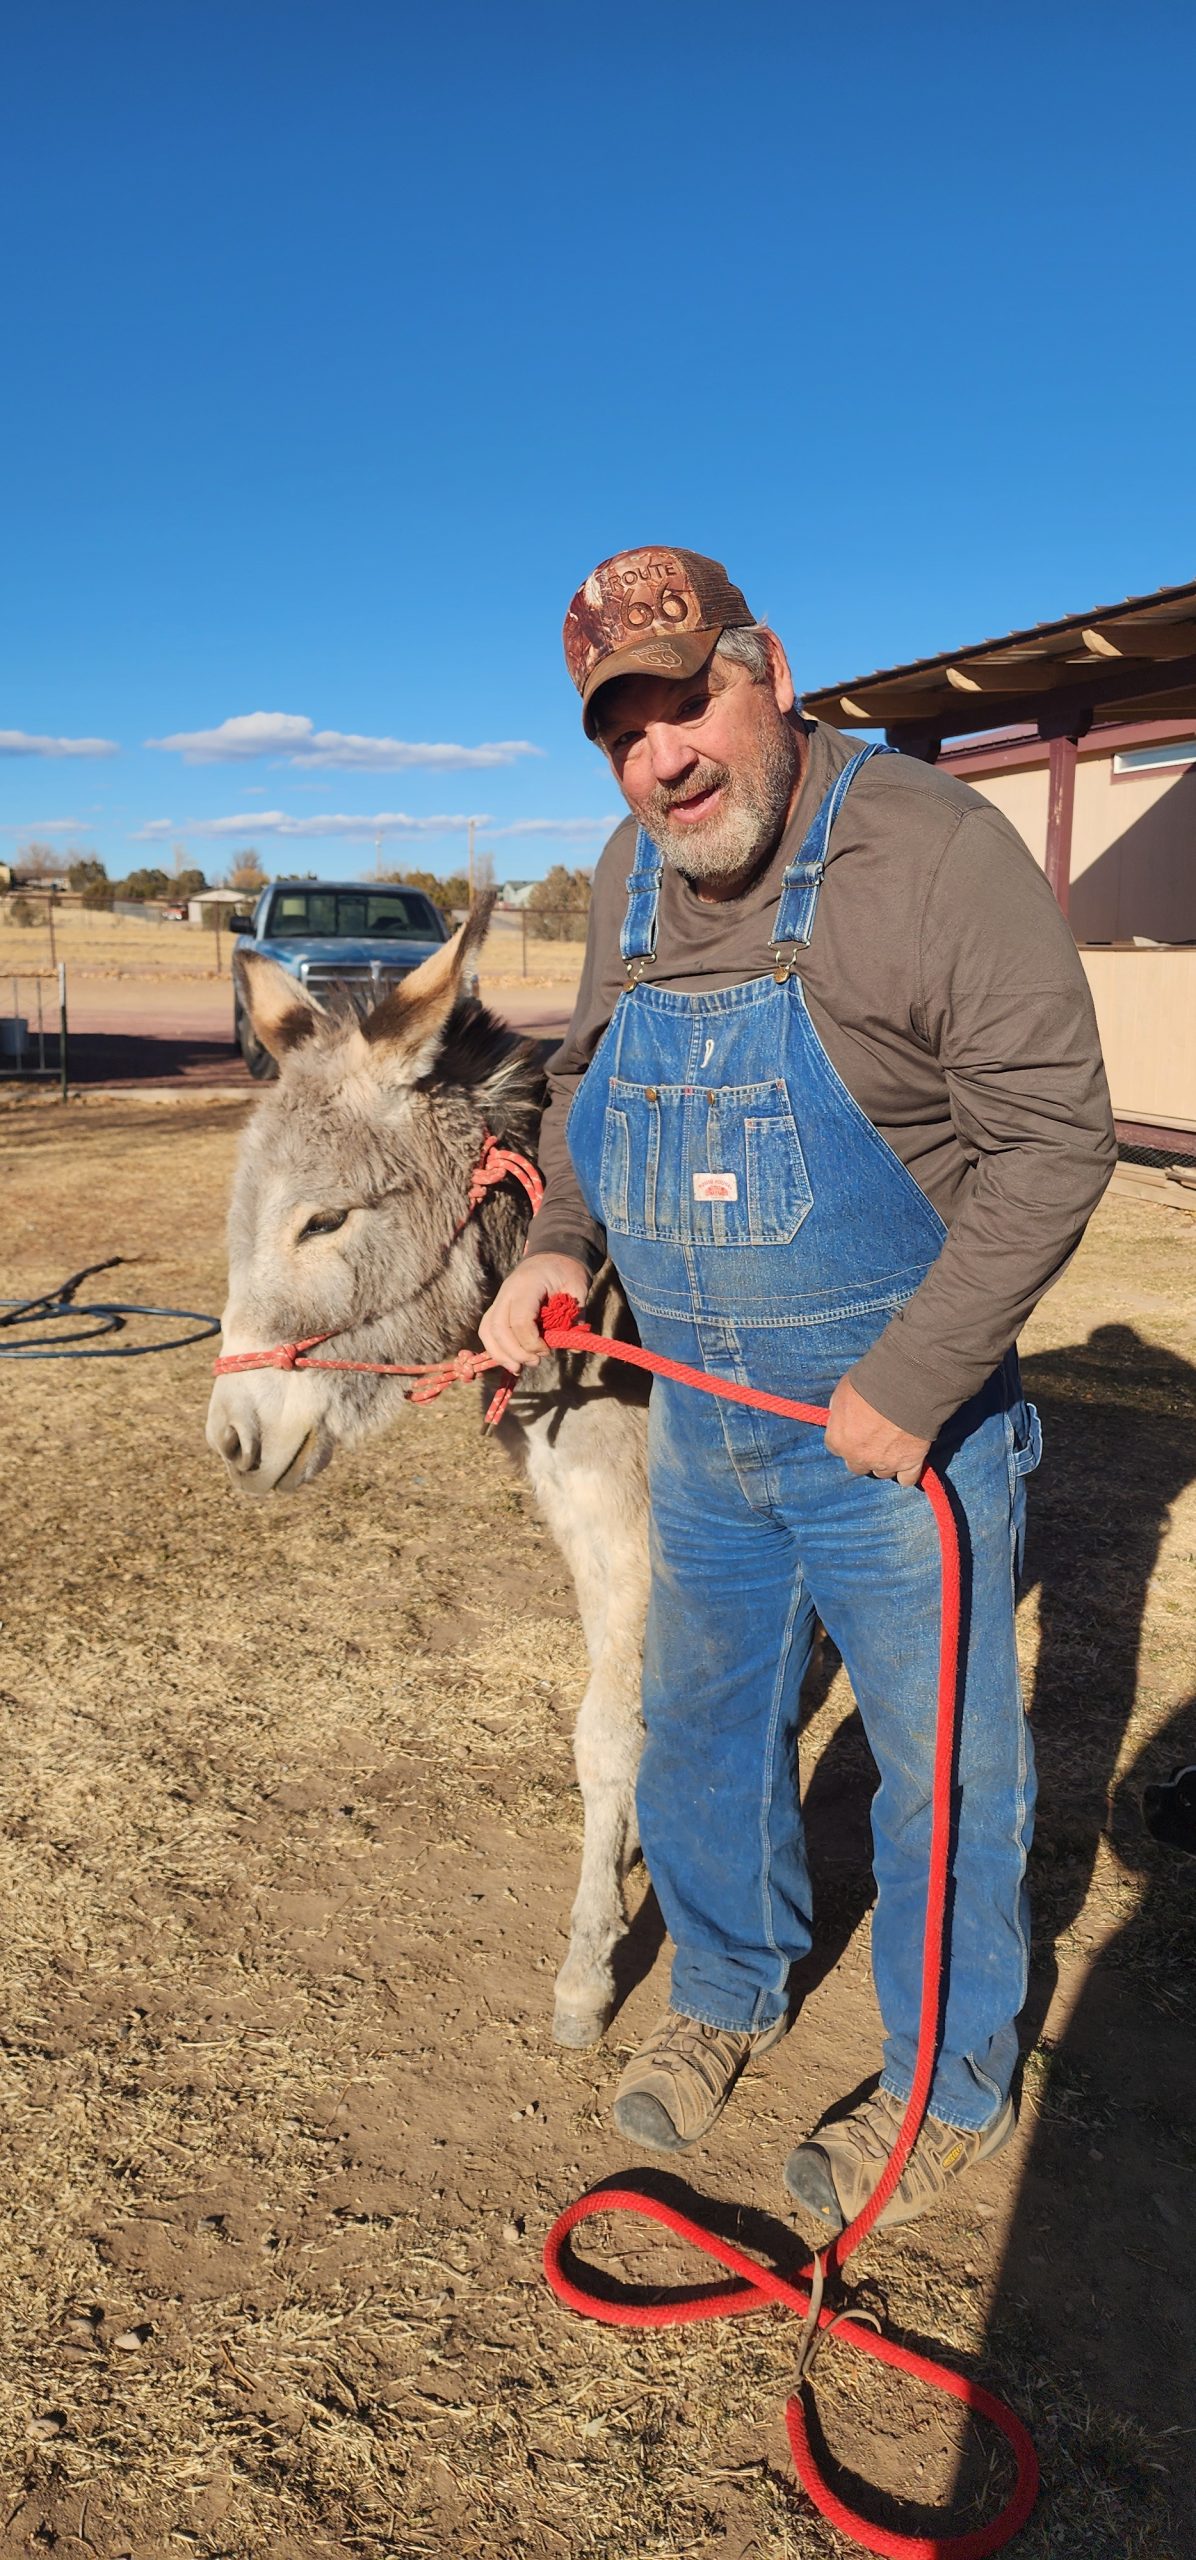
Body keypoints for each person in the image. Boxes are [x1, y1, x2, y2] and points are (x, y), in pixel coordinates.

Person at [479, 547, 1116, 2234]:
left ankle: (944, 2087)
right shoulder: (633, 867)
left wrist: (914, 1379)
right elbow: (585, 1091)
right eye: (622, 729)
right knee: (701, 1733)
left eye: (686, 701)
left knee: (944, 1771)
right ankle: (731, 1988)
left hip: (900, 1440)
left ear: (766, 668)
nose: (662, 758)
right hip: (703, 1422)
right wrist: (554, 1247)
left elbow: (1055, 1142)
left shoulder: (929, 850)